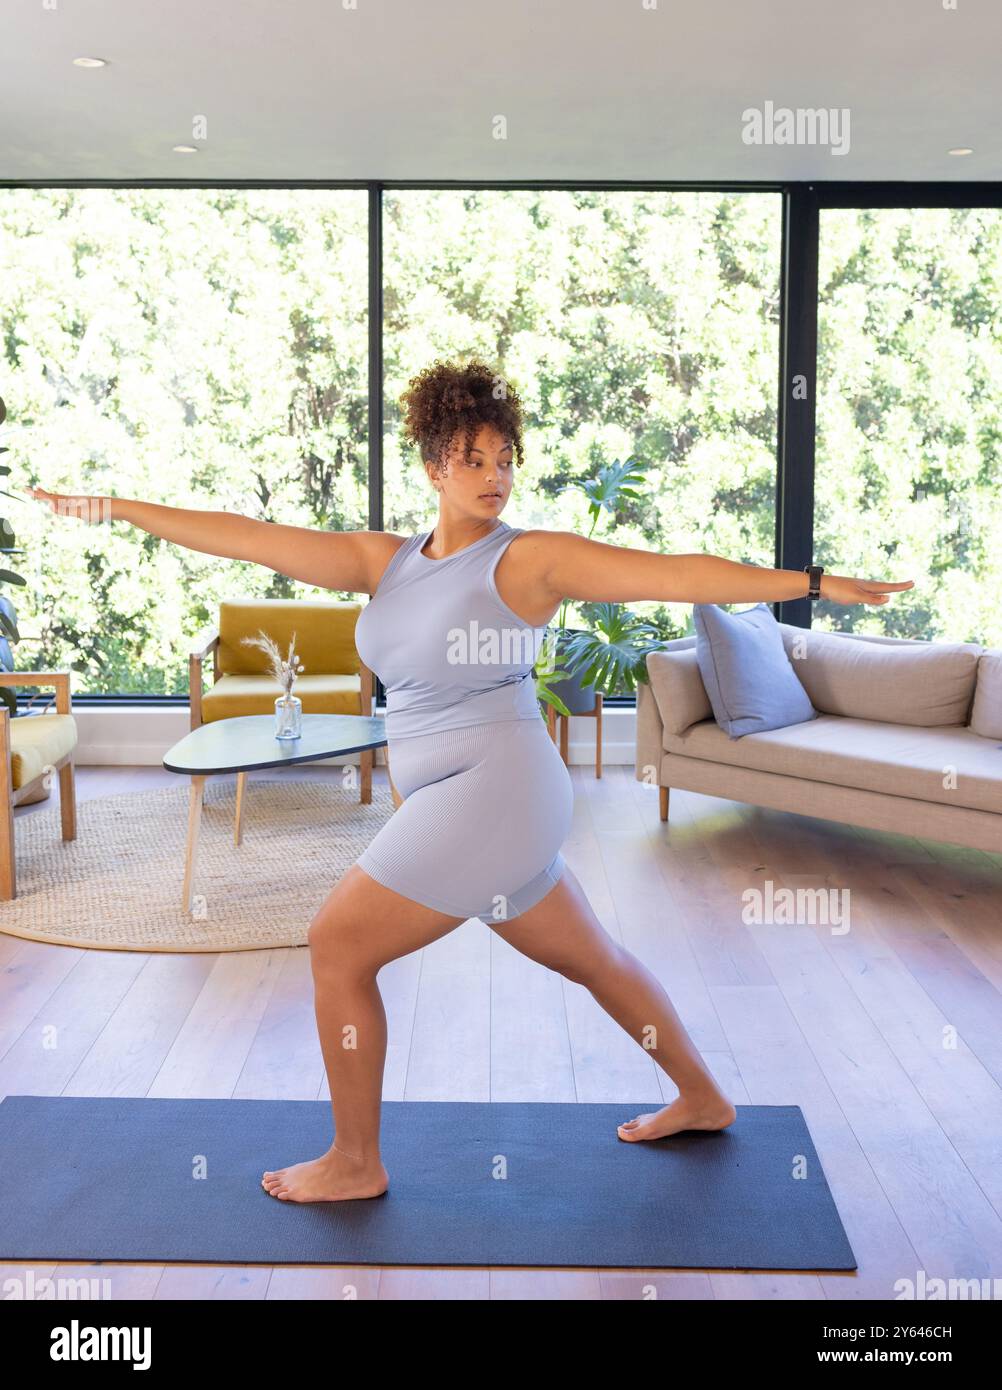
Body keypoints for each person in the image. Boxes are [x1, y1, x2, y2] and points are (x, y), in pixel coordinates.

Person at [25, 357, 914, 1205]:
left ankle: (355, 1160)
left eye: (505, 459)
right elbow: (253, 539)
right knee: (594, 959)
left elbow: (671, 573)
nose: (494, 476)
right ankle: (704, 1099)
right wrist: (121, 508)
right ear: (432, 465)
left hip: (495, 792)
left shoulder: (526, 562)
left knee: (338, 946)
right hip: (476, 799)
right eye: (472, 458)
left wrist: (815, 581)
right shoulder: (389, 561)